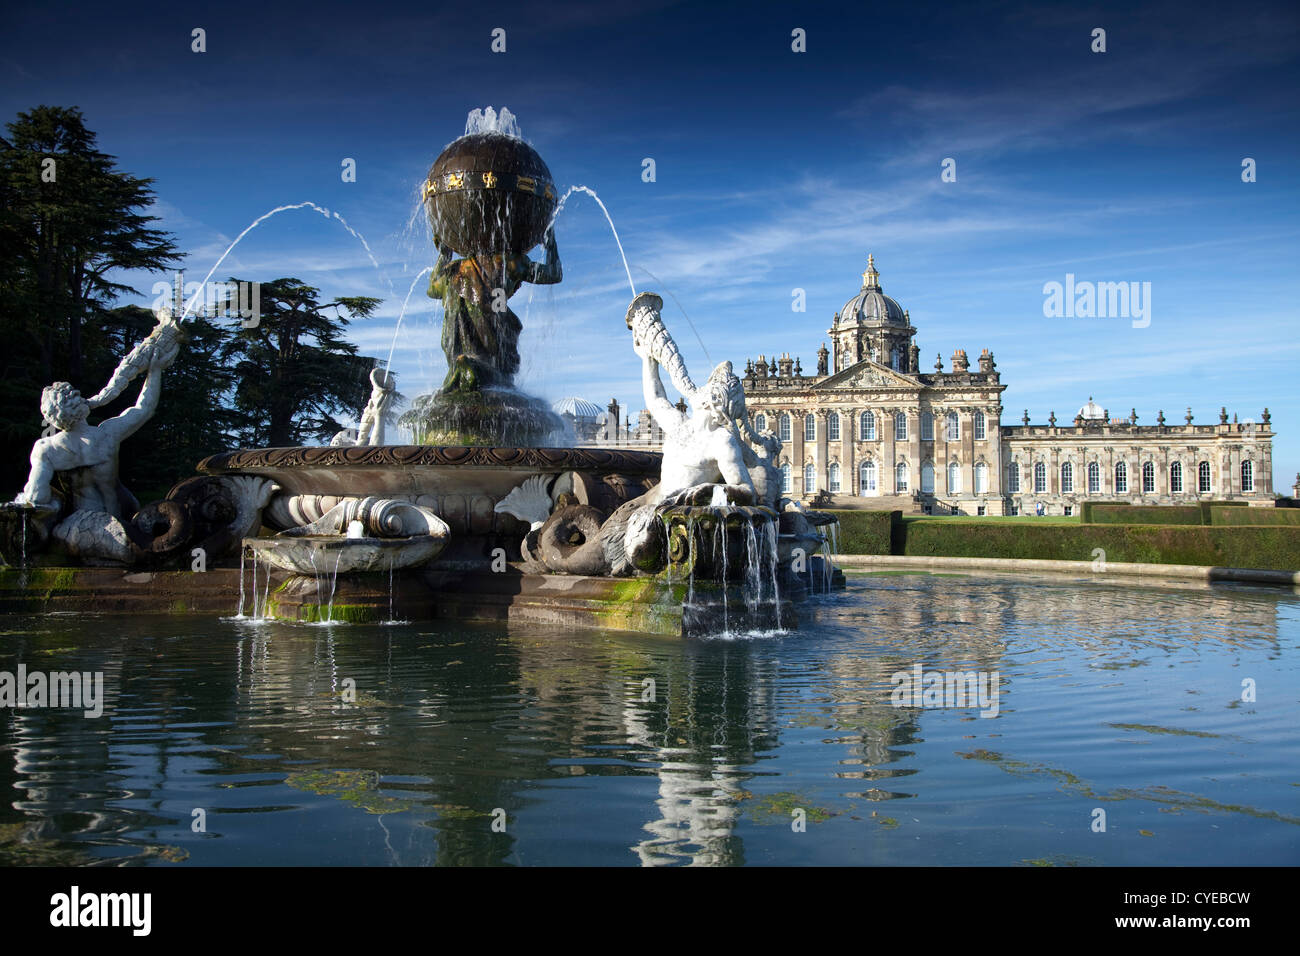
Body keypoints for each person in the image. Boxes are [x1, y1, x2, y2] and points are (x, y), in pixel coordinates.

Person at [428, 227, 561, 392]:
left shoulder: (454, 271)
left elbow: (432, 289)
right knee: (498, 382)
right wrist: (550, 243)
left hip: (478, 349)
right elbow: (554, 273)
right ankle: (476, 369)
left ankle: (467, 368)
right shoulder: (511, 263)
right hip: (499, 344)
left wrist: (444, 255)